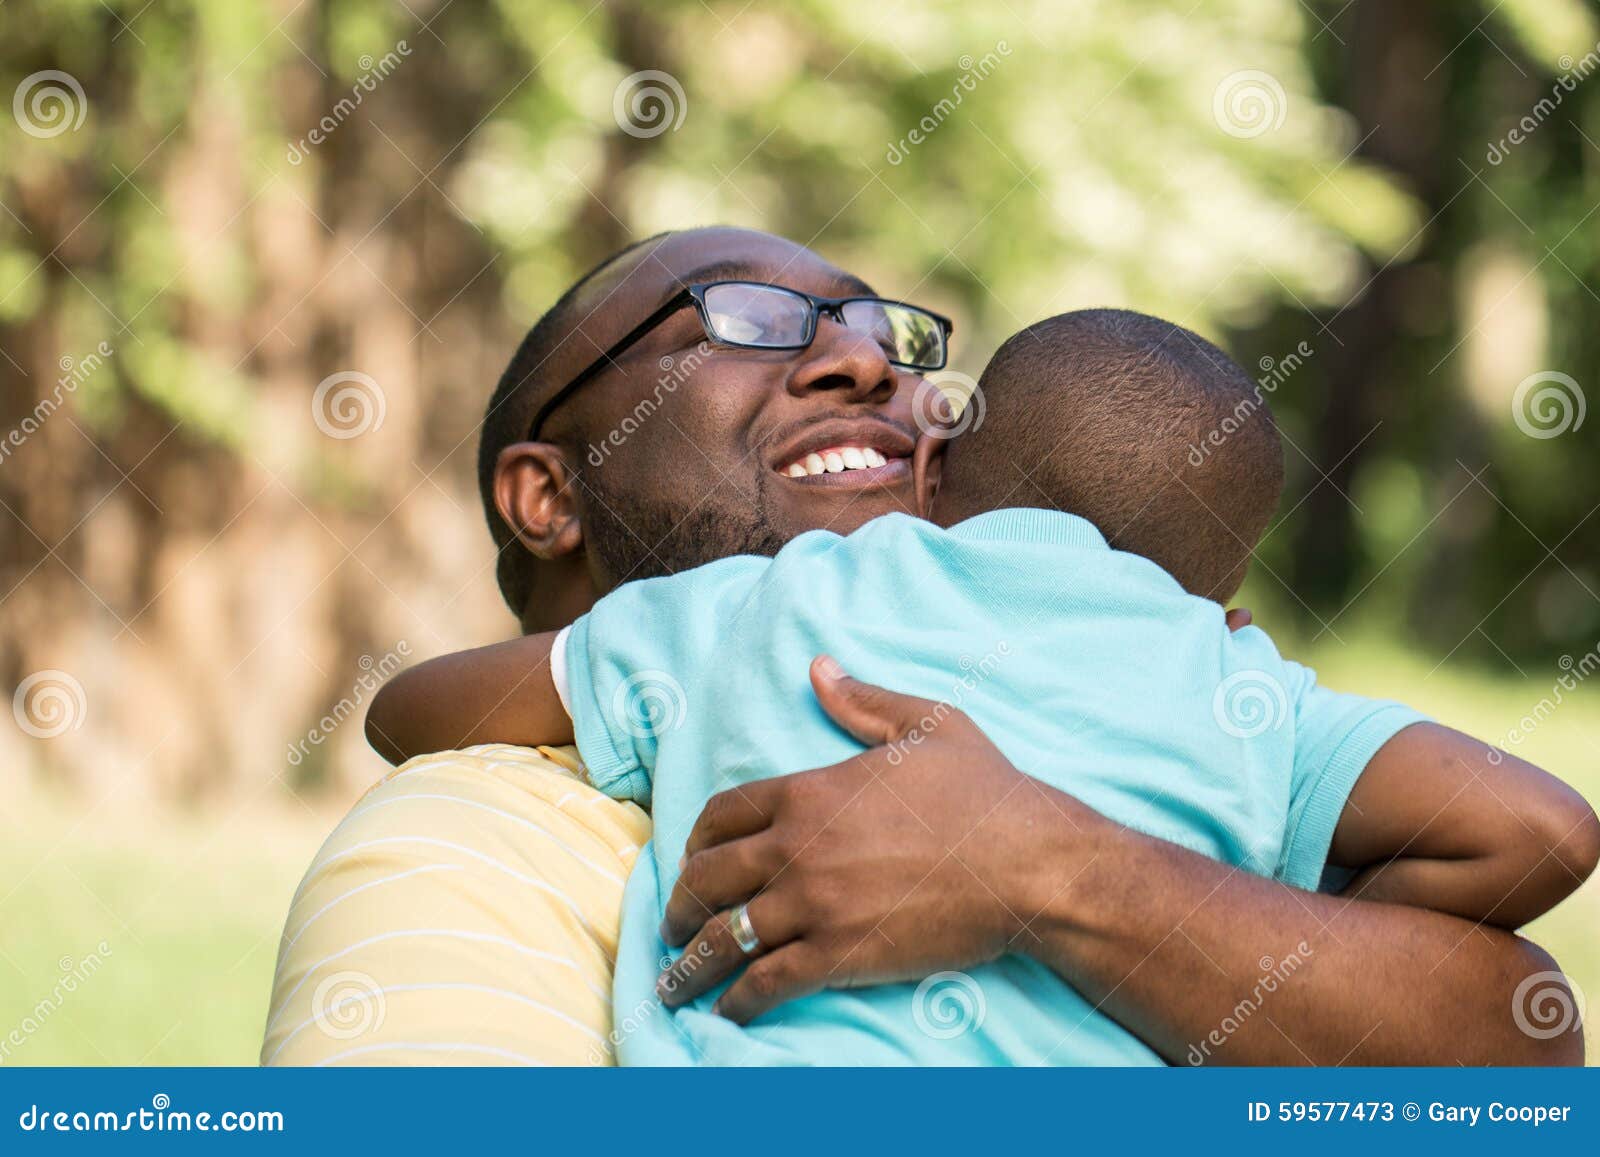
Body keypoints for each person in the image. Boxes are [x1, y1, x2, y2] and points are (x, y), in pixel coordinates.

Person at [263, 227, 1588, 1066]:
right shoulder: (465, 840)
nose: (863, 363)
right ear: (550, 495)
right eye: (749, 316)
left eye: (882, 336)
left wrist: (1049, 866)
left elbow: (1515, 1048)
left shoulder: (1185, 715)